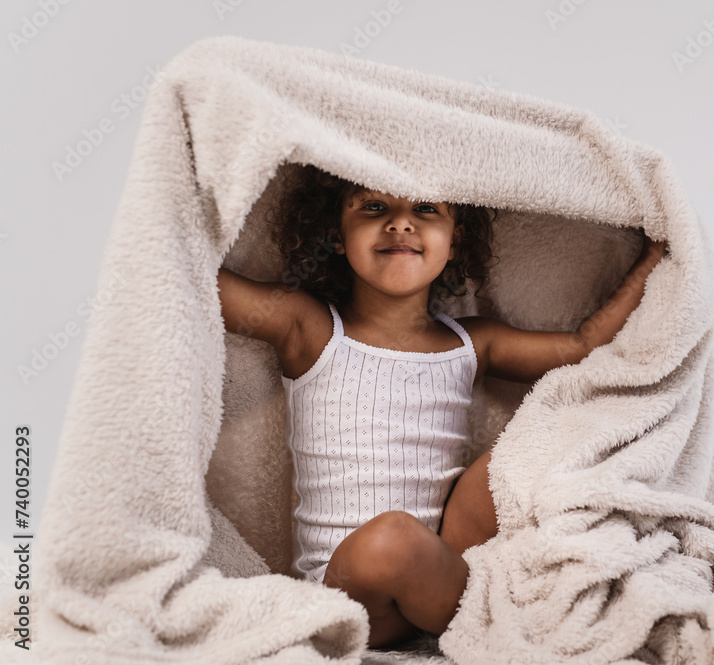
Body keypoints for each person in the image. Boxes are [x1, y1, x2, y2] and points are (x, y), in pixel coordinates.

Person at [216, 164, 667, 648]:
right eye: (373, 207)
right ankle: (500, 626)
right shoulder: (309, 327)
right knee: (390, 539)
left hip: (446, 559)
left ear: (453, 244)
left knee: (528, 449)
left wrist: (655, 256)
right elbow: (203, 279)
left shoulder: (473, 342)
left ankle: (514, 602)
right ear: (337, 236)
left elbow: (583, 347)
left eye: (426, 210)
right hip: (350, 596)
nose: (400, 223)